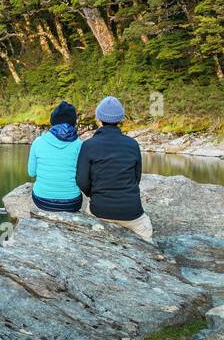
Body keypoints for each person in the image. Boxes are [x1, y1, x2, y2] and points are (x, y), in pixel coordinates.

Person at [75, 96, 153, 241]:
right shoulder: (132, 144)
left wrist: (94, 194)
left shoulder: (88, 145)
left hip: (99, 209)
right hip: (131, 212)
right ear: (120, 120)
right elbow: (136, 177)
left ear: (99, 119)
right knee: (147, 236)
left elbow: (81, 180)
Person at [27, 101, 84, 212]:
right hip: (71, 203)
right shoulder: (79, 144)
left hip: (42, 200)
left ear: (53, 121)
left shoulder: (38, 142)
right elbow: (82, 177)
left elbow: (31, 173)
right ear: (73, 122)